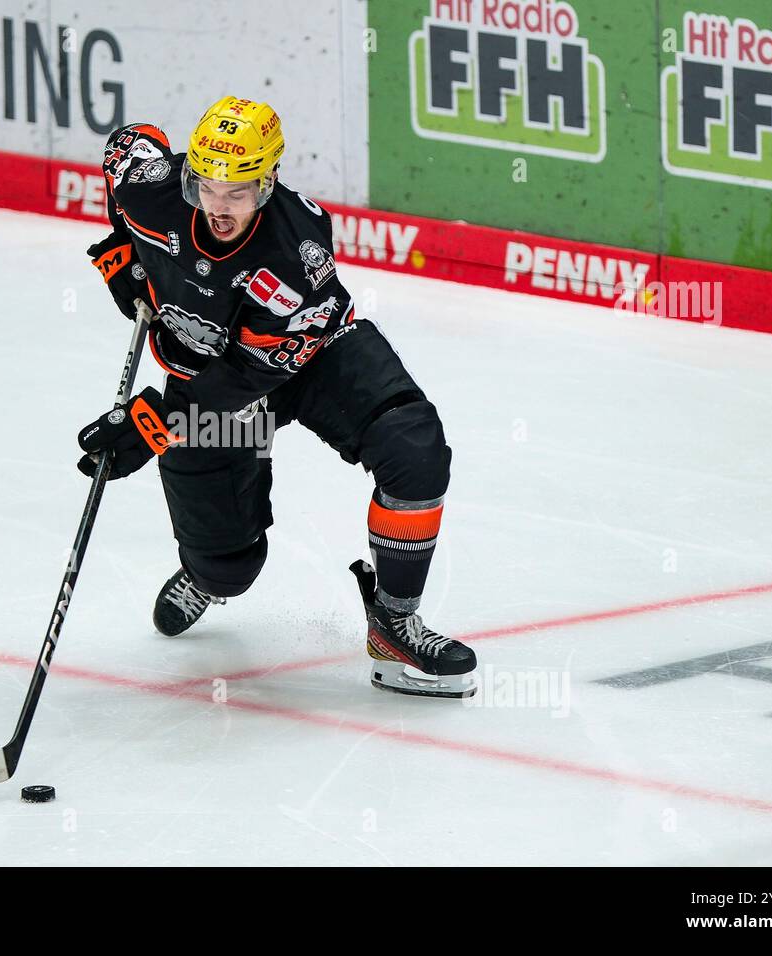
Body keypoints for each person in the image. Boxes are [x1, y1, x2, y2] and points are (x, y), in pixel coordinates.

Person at [78, 97, 476, 697]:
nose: (219, 205)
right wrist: (124, 257)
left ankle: (394, 622)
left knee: (413, 449)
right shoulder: (151, 189)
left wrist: (155, 423)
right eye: (207, 186)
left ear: (268, 181)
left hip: (311, 363)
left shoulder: (296, 251)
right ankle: (208, 574)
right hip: (213, 377)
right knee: (230, 568)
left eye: (238, 192)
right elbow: (129, 142)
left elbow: (248, 378)